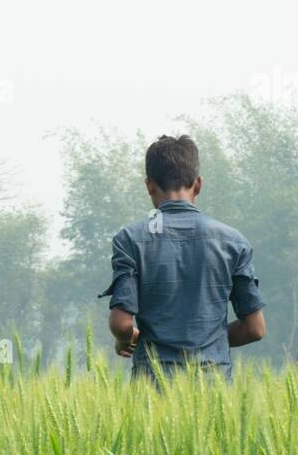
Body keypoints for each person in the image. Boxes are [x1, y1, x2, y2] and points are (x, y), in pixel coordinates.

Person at [99, 135, 267, 382]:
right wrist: (205, 344)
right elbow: (255, 329)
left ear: (149, 185)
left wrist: (127, 340)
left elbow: (121, 324)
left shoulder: (130, 239)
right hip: (214, 387)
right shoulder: (234, 242)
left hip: (153, 386)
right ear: (198, 184)